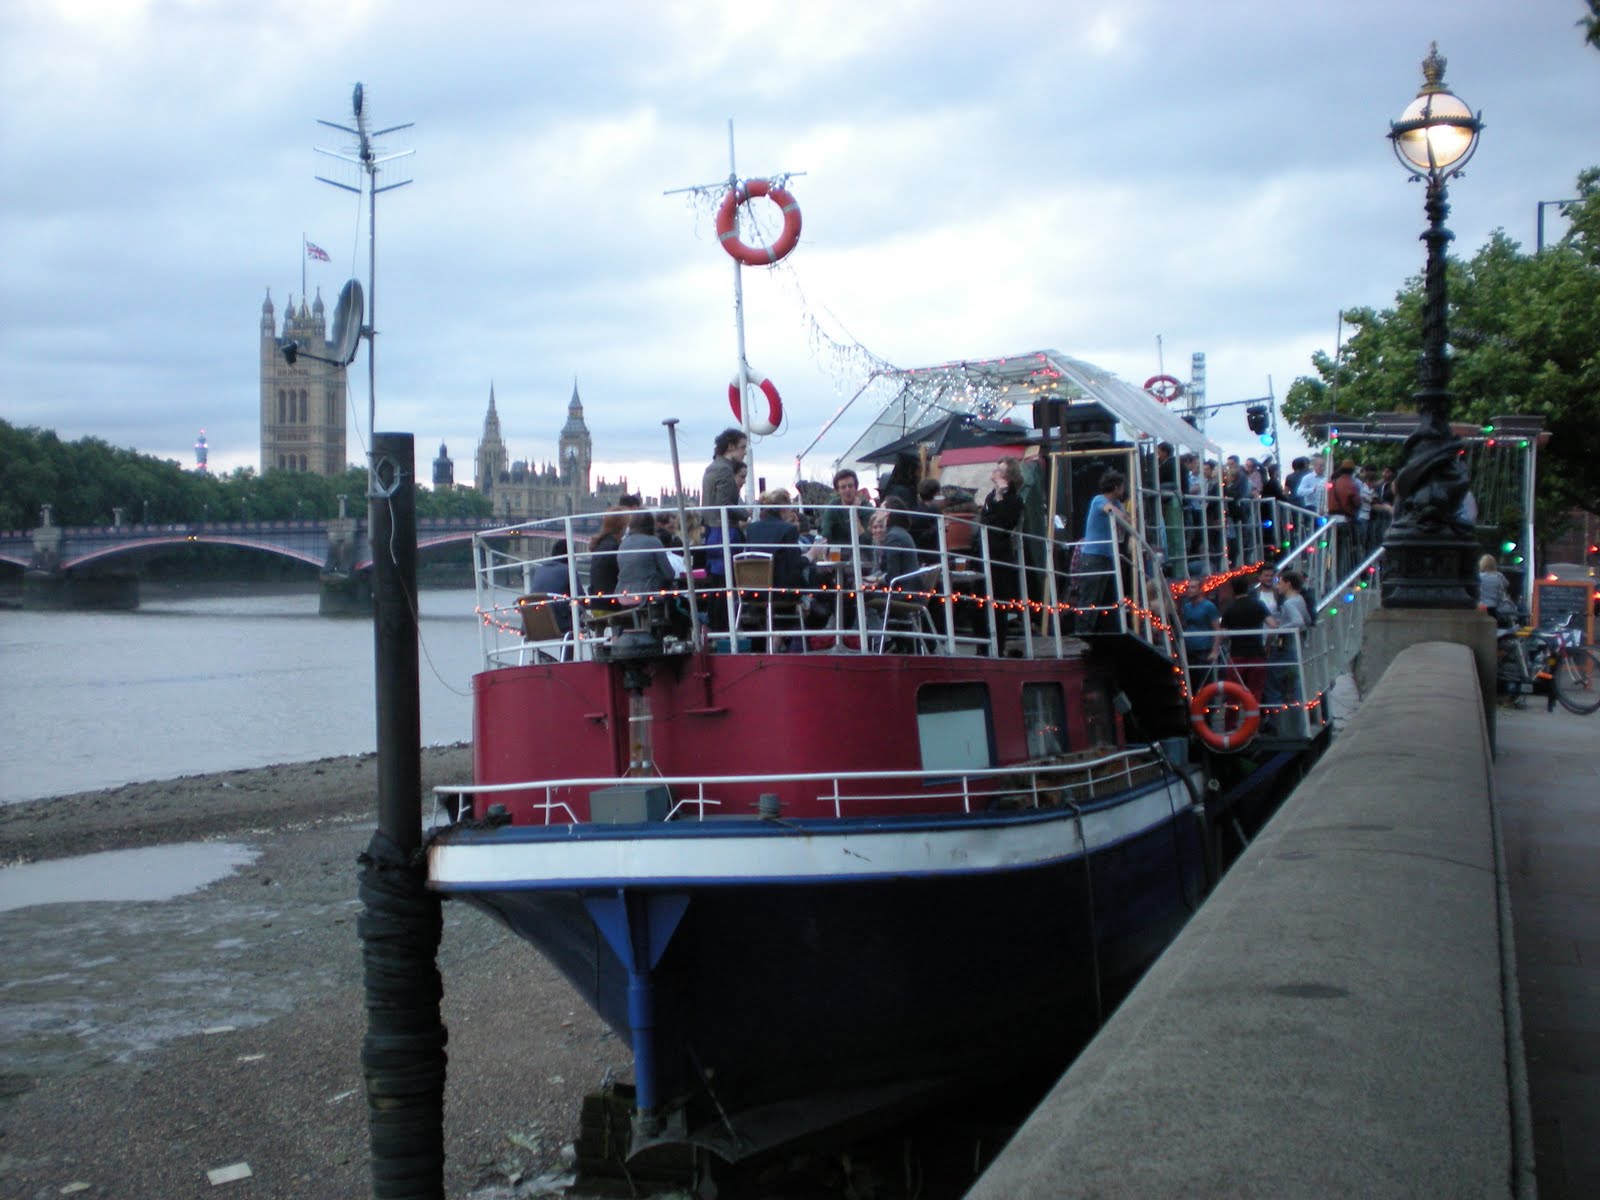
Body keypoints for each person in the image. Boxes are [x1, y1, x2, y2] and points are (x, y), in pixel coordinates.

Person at [980, 458, 1025, 654]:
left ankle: (997, 646)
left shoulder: (1014, 500)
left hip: (999, 555)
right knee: (980, 600)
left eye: (1000, 470)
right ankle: (983, 645)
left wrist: (1000, 498)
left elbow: (1004, 524)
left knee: (998, 602)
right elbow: (986, 519)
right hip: (984, 550)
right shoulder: (990, 496)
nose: (995, 471)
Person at [1074, 468, 1126, 631]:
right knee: (1089, 597)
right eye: (1122, 487)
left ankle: (1089, 630)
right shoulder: (1099, 500)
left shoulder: (1116, 503)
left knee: (1097, 597)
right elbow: (1115, 513)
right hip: (1093, 556)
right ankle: (1082, 631)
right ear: (1116, 487)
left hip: (1105, 556)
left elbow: (1127, 520)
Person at [1264, 568, 1312, 718]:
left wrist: (1279, 629)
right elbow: (1307, 620)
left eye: (1280, 582)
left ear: (1288, 584)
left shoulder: (1289, 603)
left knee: (1271, 678)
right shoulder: (1300, 599)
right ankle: (1300, 713)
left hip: (1286, 646)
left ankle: (1278, 716)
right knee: (1295, 679)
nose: (1277, 586)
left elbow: (1299, 622)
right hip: (1296, 646)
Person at [744, 488, 814, 590]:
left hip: (753, 589)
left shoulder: (751, 528)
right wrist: (810, 555)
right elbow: (795, 566)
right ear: (784, 508)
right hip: (780, 590)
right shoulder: (789, 529)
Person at [1219, 576, 1271, 700]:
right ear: (1247, 588)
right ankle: (1255, 717)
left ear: (1232, 590)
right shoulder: (1258, 605)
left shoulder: (1229, 609)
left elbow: (1223, 633)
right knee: (1256, 690)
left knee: (1233, 691)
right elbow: (1272, 624)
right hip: (1257, 652)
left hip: (1237, 653)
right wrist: (1268, 643)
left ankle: (1231, 718)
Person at [616, 511, 679, 597]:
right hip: (647, 593)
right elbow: (669, 574)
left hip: (622, 593)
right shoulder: (654, 542)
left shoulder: (624, 543)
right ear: (652, 524)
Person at [528, 539, 575, 632]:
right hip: (558, 625)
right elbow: (580, 598)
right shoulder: (568, 570)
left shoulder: (539, 570)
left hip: (531, 626)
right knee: (575, 625)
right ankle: (568, 646)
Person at [820, 467, 871, 551]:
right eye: (843, 487)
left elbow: (865, 540)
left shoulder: (866, 506)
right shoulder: (833, 506)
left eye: (850, 486)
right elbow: (825, 533)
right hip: (837, 554)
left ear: (856, 488)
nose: (847, 489)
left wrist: (854, 512)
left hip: (862, 553)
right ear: (837, 491)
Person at [587, 509, 630, 601]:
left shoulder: (601, 544)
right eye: (626, 525)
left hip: (597, 599)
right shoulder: (615, 546)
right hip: (610, 602)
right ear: (621, 526)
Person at [701, 428, 748, 509]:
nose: (745, 452)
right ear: (730, 446)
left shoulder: (712, 467)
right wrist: (745, 514)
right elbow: (724, 505)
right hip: (722, 521)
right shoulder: (724, 470)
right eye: (743, 447)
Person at [1180, 579, 1222, 665]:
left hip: (1204, 649)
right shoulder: (1186, 607)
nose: (1190, 590)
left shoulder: (1209, 606)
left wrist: (1214, 651)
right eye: (1188, 587)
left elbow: (1217, 629)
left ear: (1200, 590)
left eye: (1193, 587)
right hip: (1189, 648)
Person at [1478, 554, 1517, 627]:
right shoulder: (1499, 576)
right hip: (1495, 606)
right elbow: (1506, 585)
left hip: (1481, 607)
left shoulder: (1479, 577)